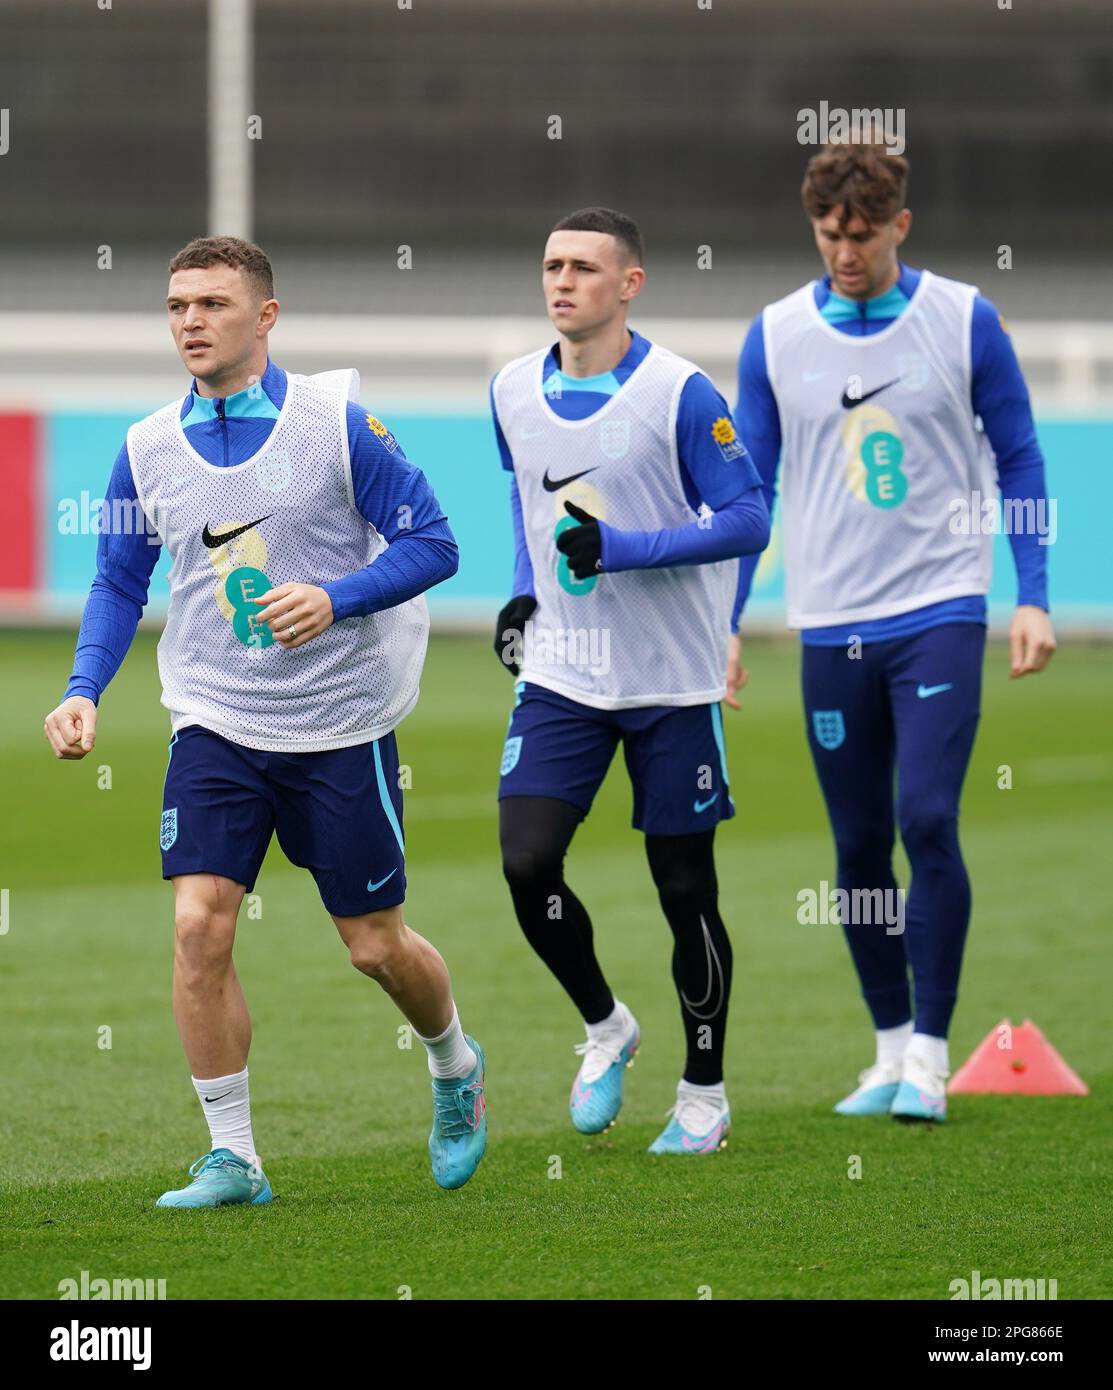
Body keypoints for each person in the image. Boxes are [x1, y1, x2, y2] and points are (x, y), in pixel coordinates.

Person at [42, 236, 487, 1202]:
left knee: (374, 945)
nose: (190, 322)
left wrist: (338, 596)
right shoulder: (145, 447)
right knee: (200, 925)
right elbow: (119, 579)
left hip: (339, 721)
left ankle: (454, 1063)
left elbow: (436, 542)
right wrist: (84, 689)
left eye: (210, 303)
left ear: (266, 316)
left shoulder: (338, 424)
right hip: (212, 718)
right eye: (175, 306)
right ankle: (233, 1155)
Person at [729, 145, 1056, 1122]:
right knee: (860, 843)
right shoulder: (777, 335)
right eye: (829, 235)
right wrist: (727, 619)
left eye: (862, 236)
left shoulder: (963, 321)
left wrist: (1033, 592)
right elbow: (752, 494)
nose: (844, 252)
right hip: (830, 623)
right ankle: (885, 1046)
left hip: (940, 608)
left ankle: (930, 1051)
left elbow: (1023, 458)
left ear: (899, 227)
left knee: (925, 817)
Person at [491, 207, 770, 1154]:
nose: (560, 281)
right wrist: (524, 596)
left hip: (671, 682)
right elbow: (525, 497)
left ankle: (703, 1095)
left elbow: (747, 518)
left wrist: (627, 549)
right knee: (527, 863)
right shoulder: (509, 390)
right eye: (550, 264)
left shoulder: (679, 392)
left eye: (581, 267)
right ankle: (606, 1023)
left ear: (630, 284)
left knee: (682, 887)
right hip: (564, 674)